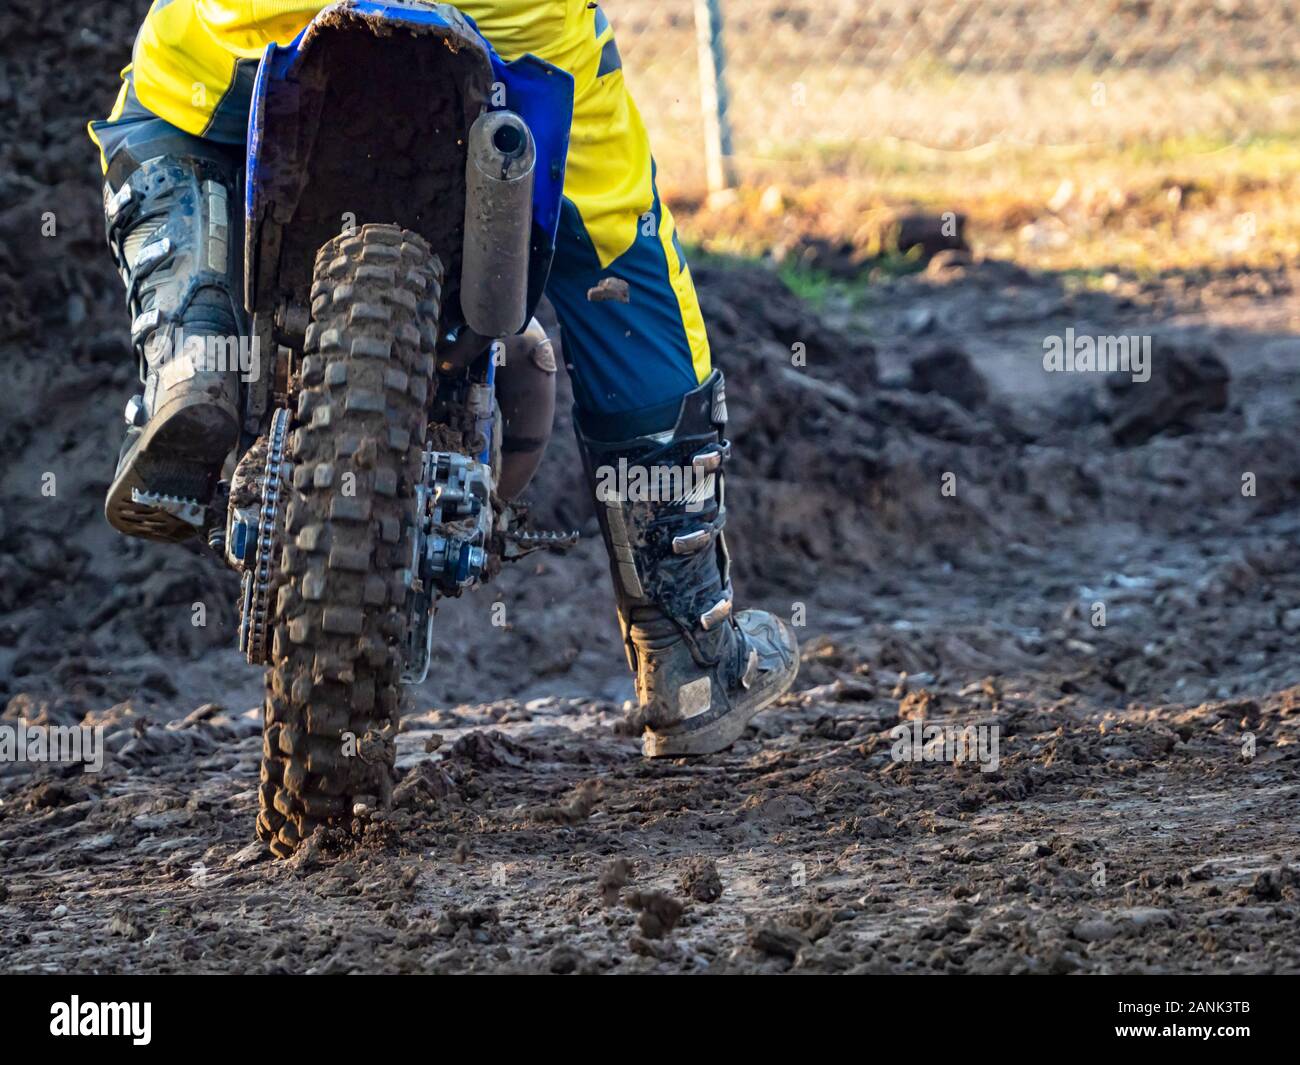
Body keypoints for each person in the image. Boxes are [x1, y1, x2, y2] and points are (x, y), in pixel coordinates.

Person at [89, 0, 798, 757]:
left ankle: (193, 346)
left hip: (267, 18)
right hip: (512, 24)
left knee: (163, 106)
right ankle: (687, 651)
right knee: (621, 238)